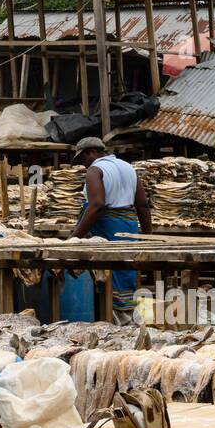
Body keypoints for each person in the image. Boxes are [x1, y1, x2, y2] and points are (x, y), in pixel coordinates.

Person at [69, 137, 152, 323]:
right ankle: (127, 321)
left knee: (112, 280)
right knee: (126, 273)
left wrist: (74, 238)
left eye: (83, 160)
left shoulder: (95, 170)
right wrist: (147, 237)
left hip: (109, 229)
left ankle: (114, 324)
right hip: (129, 228)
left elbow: (97, 205)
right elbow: (143, 206)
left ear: (91, 152)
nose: (83, 165)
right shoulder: (128, 167)